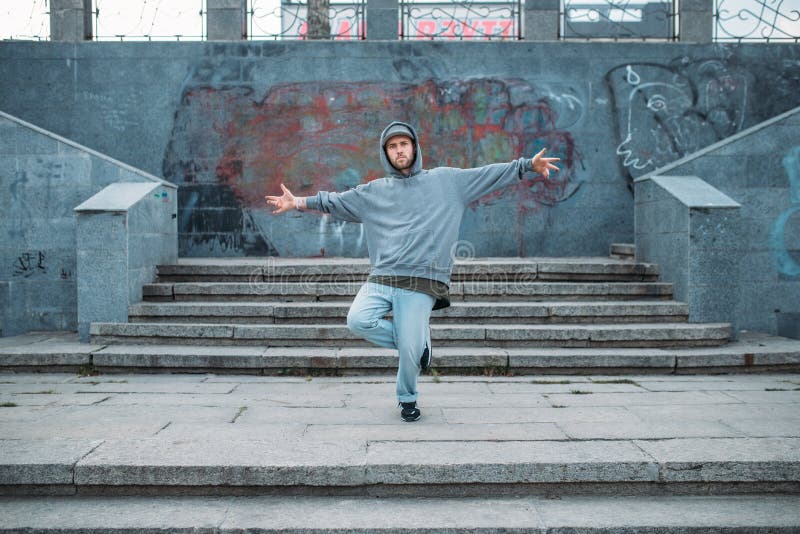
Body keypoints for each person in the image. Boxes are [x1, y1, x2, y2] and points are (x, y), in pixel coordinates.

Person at [265, 121, 560, 422]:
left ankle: (407, 397)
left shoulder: (447, 182)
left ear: (414, 147)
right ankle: (418, 343)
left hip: (422, 280)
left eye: (403, 144)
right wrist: (297, 202)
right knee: (357, 320)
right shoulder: (374, 192)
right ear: (386, 154)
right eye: (392, 147)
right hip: (382, 276)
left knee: (408, 351)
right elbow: (335, 202)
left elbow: (487, 175)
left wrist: (527, 166)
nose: (398, 150)